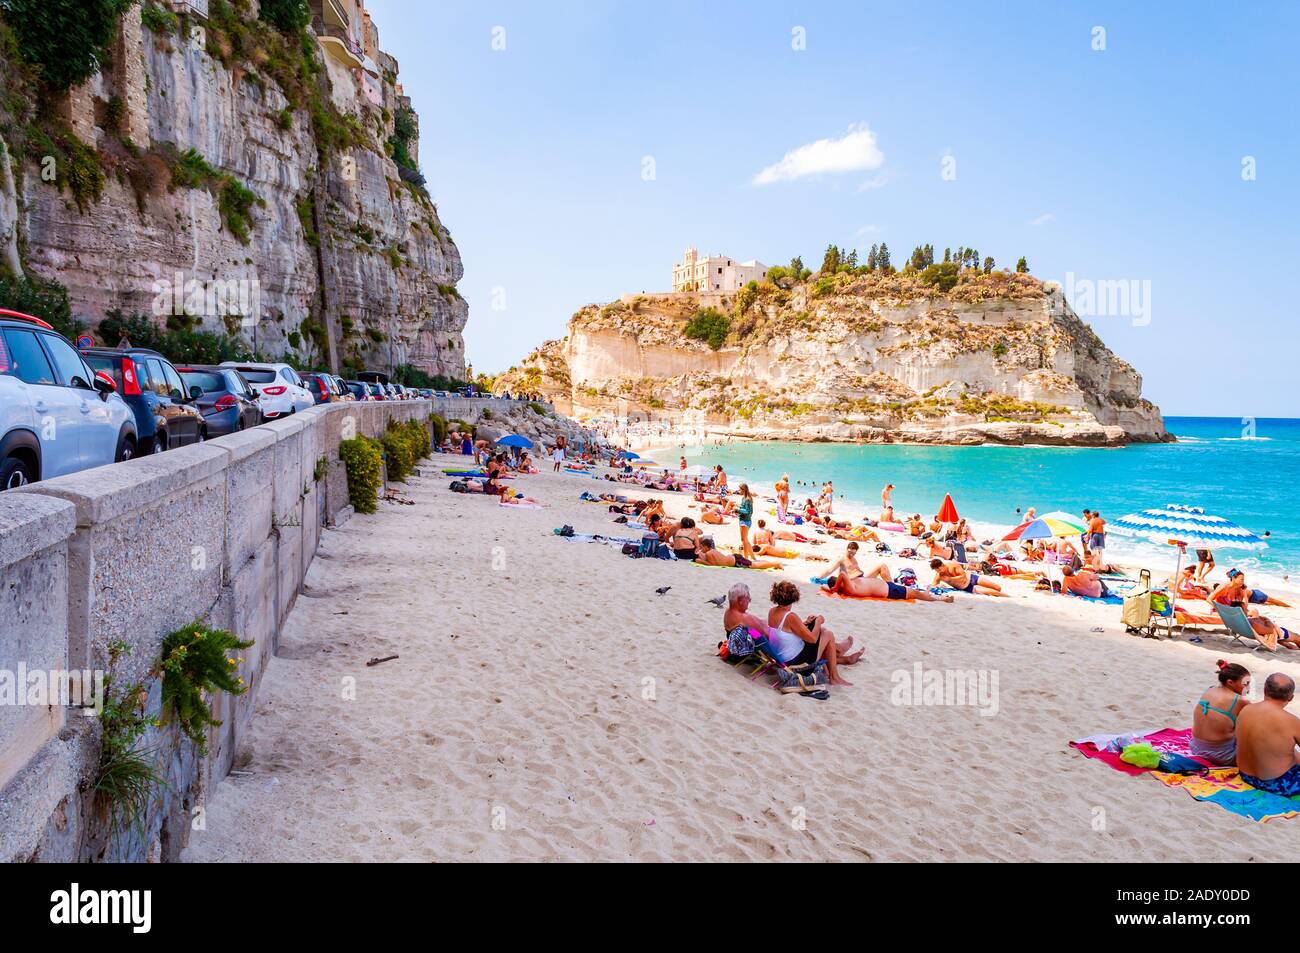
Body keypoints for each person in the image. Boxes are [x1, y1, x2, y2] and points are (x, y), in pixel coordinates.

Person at [767, 580, 862, 685]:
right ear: (793, 598)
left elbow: (785, 630)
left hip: (783, 658)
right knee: (827, 633)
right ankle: (834, 677)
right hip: (797, 662)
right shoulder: (790, 616)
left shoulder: (772, 611)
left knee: (821, 630)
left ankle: (838, 654)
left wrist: (806, 622)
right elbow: (812, 639)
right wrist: (818, 622)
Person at [1235, 673, 1300, 796]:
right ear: (1290, 698)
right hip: (1276, 783)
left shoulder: (1246, 710)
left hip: (1246, 776)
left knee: (1287, 748)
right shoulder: (1291, 721)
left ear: (1265, 689)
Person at [827, 543, 953, 603]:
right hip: (890, 591)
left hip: (889, 587)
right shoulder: (848, 588)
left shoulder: (849, 586)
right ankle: (941, 599)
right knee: (916, 594)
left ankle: (930, 594)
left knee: (915, 593)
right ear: (839, 583)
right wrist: (835, 588)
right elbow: (843, 575)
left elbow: (842, 575)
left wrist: (833, 587)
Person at [1190, 661, 1251, 766]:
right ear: (1230, 682)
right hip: (1222, 756)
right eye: (1246, 684)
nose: (1248, 688)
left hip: (1195, 748)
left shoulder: (1210, 689)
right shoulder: (1241, 701)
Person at [1208, 569, 1292, 608]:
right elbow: (1209, 599)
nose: (1243, 581)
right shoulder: (1225, 587)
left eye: (1243, 579)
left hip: (1256, 595)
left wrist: (1244, 592)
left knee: (1273, 600)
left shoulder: (1240, 587)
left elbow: (1245, 604)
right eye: (1241, 579)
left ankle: (1289, 606)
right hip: (1252, 600)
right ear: (1233, 578)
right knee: (1269, 603)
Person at [695, 536, 782, 570]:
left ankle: (775, 564)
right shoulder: (712, 551)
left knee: (754, 566)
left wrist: (701, 561)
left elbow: (712, 565)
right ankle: (771, 563)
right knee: (754, 563)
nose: (701, 549)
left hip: (736, 561)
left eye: (702, 547)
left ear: (706, 547)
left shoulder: (709, 553)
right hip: (733, 558)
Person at [930, 558, 1005, 596]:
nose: (938, 571)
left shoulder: (953, 565)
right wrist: (938, 585)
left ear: (943, 565)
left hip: (972, 578)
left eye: (939, 569)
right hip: (967, 587)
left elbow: (963, 576)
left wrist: (950, 579)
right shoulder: (939, 575)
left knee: (998, 588)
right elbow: (933, 585)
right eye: (936, 570)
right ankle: (1010, 598)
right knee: (995, 593)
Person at [737, 483, 755, 560]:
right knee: (745, 539)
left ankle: (746, 557)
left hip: (745, 521)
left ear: (743, 490)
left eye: (739, 489)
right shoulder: (745, 498)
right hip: (744, 520)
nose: (738, 491)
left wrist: (738, 510)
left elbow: (748, 511)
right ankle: (753, 557)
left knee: (744, 540)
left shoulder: (747, 499)